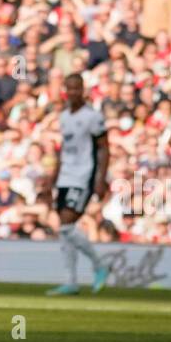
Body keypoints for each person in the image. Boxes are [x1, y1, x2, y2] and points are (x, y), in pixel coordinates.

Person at [45, 73, 111, 296]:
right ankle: (71, 280)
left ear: (83, 90)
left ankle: (99, 265)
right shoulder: (64, 116)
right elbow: (64, 149)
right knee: (64, 231)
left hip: (83, 176)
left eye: (76, 88)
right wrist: (52, 179)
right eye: (69, 88)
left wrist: (100, 179)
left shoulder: (92, 116)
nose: (72, 92)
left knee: (66, 225)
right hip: (65, 176)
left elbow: (103, 147)